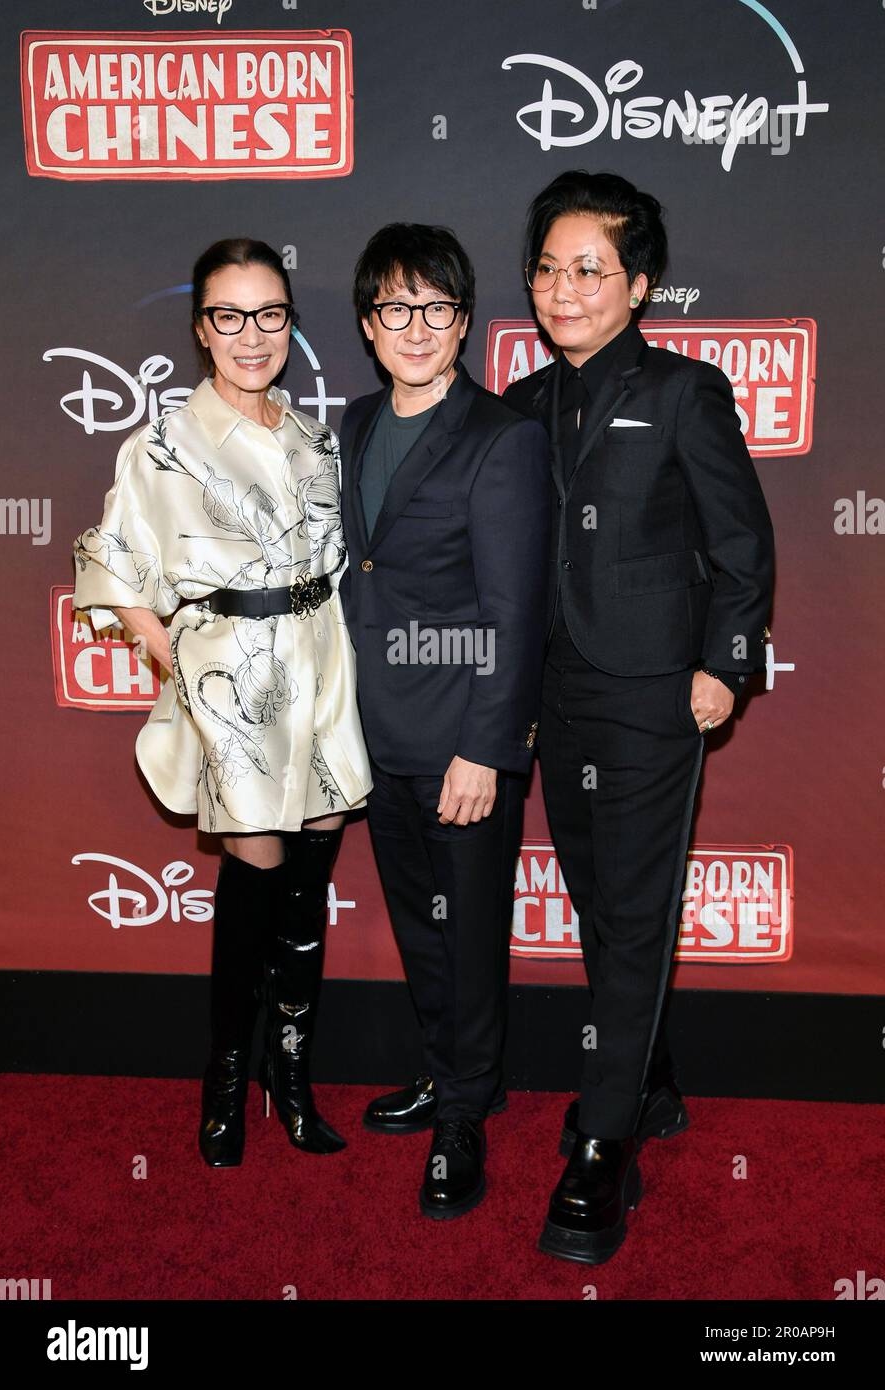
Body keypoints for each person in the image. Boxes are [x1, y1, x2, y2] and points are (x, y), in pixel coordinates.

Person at [503, 171, 775, 1264]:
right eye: (548, 269)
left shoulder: (685, 392)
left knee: (632, 901)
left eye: (589, 270)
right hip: (555, 699)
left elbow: (743, 546)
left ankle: (603, 1146)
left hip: (656, 692)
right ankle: (652, 1081)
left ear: (640, 283)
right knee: (603, 906)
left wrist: (726, 664)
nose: (563, 290)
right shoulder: (521, 405)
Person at [71, 238, 372, 1167]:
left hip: (323, 668)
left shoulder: (312, 434)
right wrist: (176, 655)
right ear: (202, 330)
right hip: (235, 681)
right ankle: (226, 1079)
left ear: (289, 323)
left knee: (306, 890)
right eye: (230, 317)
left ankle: (292, 1079)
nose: (252, 335)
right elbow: (109, 562)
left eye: (270, 315)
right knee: (255, 878)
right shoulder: (164, 442)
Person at [338, 223, 552, 1218]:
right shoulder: (346, 427)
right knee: (423, 930)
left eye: (435, 307)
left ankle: (464, 1118)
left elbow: (515, 609)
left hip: (464, 740)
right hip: (373, 740)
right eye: (395, 307)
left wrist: (487, 746)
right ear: (369, 327)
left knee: (469, 935)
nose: (414, 326)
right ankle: (447, 1074)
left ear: (464, 322)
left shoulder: (502, 437)